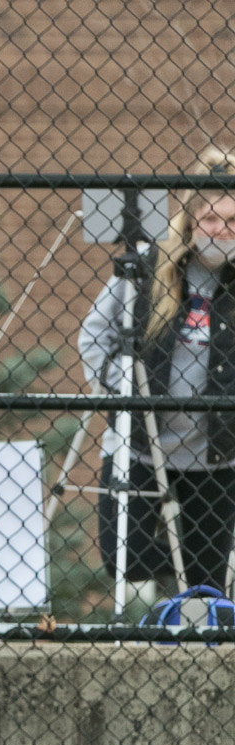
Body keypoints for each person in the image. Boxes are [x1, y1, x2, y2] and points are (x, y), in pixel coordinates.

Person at [78, 146, 235, 596]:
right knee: (131, 562)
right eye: (210, 219)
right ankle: (157, 636)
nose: (220, 231)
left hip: (216, 456)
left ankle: (196, 646)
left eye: (232, 221)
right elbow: (93, 336)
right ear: (189, 220)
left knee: (206, 582)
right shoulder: (148, 267)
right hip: (144, 450)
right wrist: (120, 391)